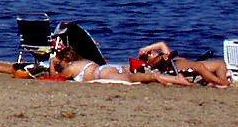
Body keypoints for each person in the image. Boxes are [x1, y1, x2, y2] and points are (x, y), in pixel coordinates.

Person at [51, 42, 191, 85]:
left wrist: (52, 63)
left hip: (104, 73)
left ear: (67, 61)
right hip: (110, 68)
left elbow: (57, 78)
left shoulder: (72, 67)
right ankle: (176, 79)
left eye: (61, 64)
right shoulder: (84, 62)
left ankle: (175, 79)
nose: (60, 66)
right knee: (141, 78)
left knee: (133, 79)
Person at [137, 41, 231, 88]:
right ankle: (219, 82)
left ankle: (221, 81)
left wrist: (148, 47)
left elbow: (162, 44)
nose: (151, 52)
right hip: (178, 68)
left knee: (220, 63)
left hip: (189, 64)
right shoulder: (154, 62)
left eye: (152, 51)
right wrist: (146, 53)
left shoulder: (163, 56)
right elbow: (161, 51)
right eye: (149, 54)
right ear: (147, 61)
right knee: (199, 67)